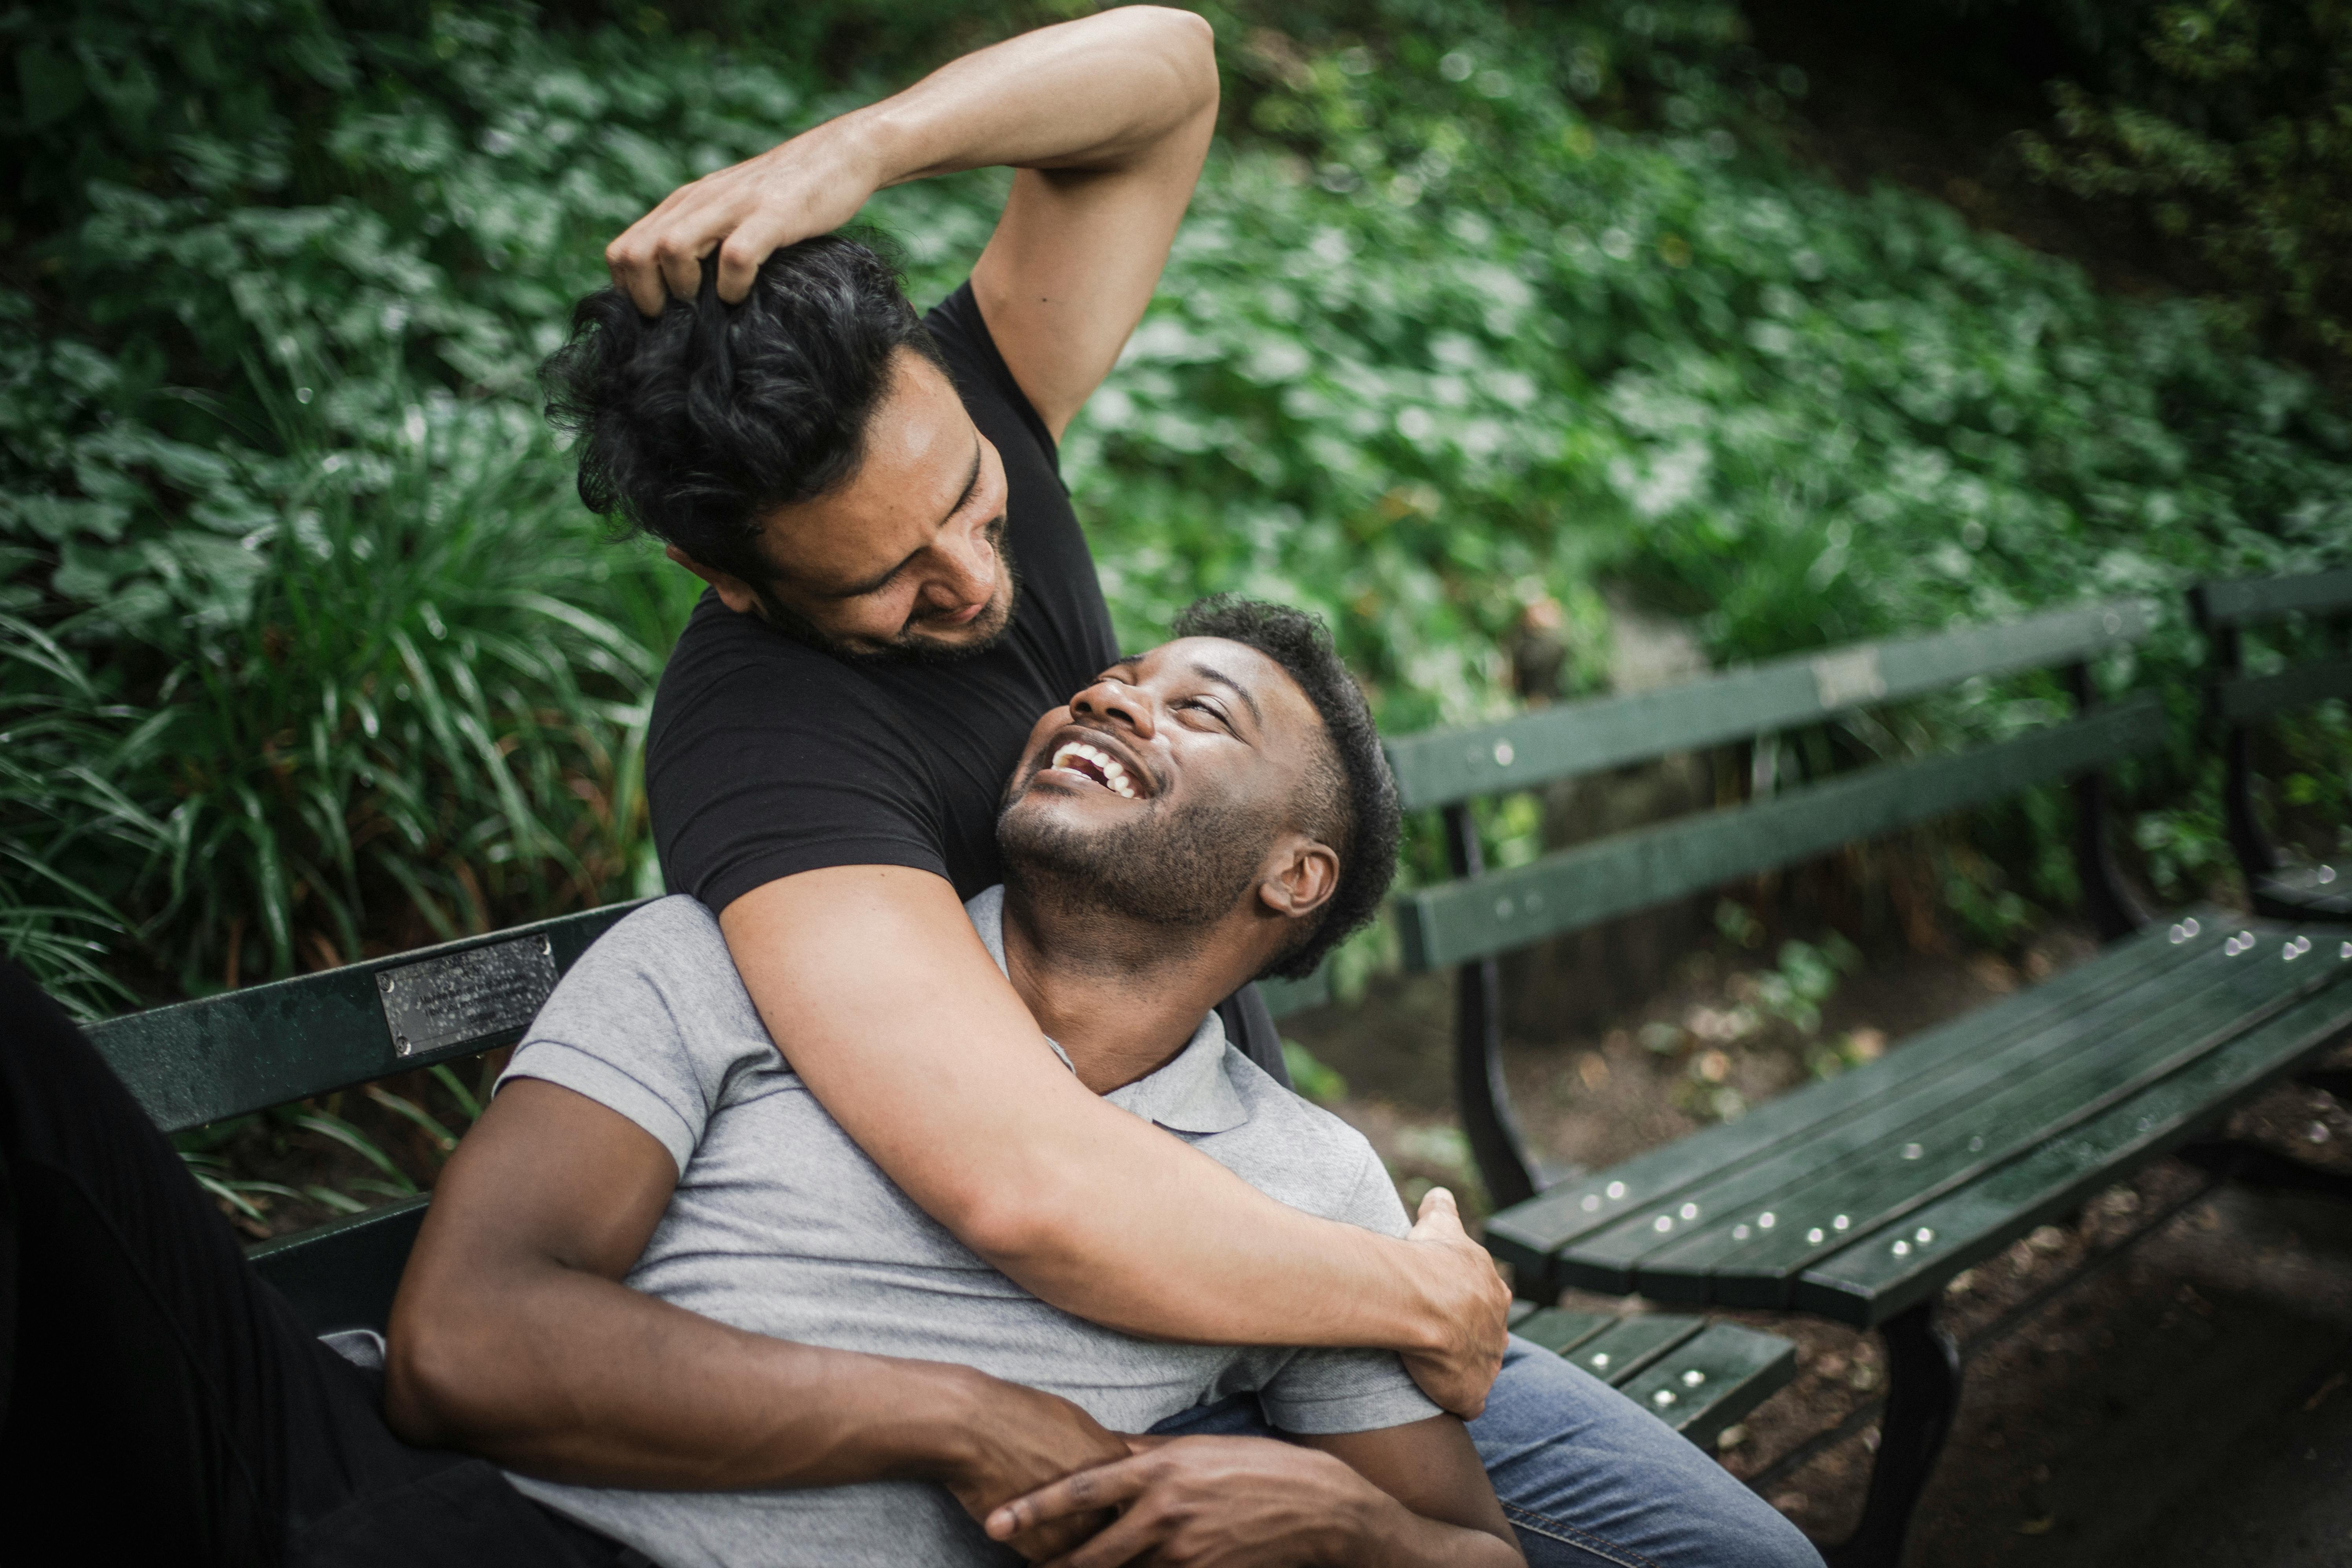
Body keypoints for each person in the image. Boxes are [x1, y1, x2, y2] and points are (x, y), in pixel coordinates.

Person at [523, 8, 1821, 1565]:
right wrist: (1401, 1286)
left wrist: (853, 151)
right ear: (727, 580)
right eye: (887, 575)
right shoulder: (763, 753)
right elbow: (1026, 1186)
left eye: (969, 500)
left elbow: (1169, 75)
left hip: (1267, 1280)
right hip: (1098, 1337)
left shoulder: (963, 410)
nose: (970, 575)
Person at [398, 601, 1524, 1567]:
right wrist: (962, 1421)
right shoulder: (746, 955)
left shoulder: (1311, 1182)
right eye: (1112, 682)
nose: (1107, 702)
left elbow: (1478, 1551)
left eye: (1201, 712)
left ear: (1294, 875)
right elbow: (460, 1343)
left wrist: (1346, 1531)